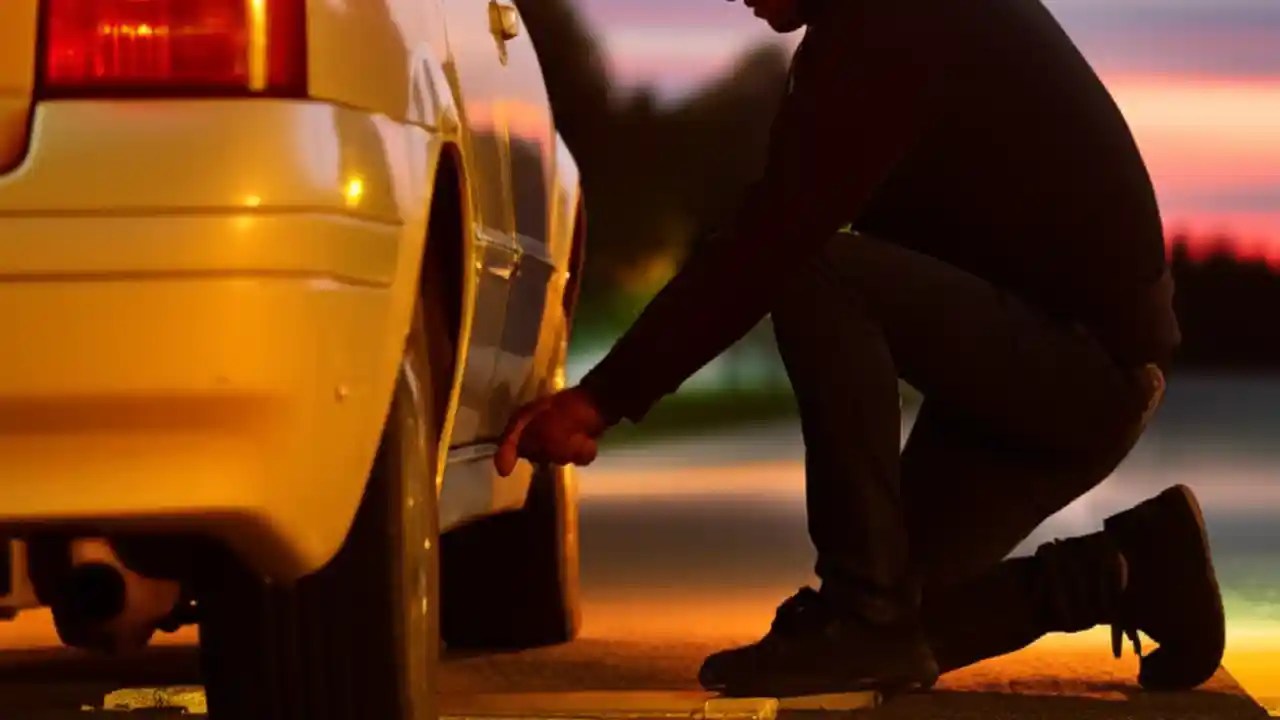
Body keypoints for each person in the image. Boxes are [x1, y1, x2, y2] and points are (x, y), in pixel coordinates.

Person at [495, 0, 1225, 697]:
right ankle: (1134, 568)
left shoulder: (893, 17)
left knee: (814, 271)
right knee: (900, 635)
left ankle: (862, 609)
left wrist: (602, 398)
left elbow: (774, 242)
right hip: (1035, 375)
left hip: (1083, 370)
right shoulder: (854, 38)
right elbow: (774, 216)